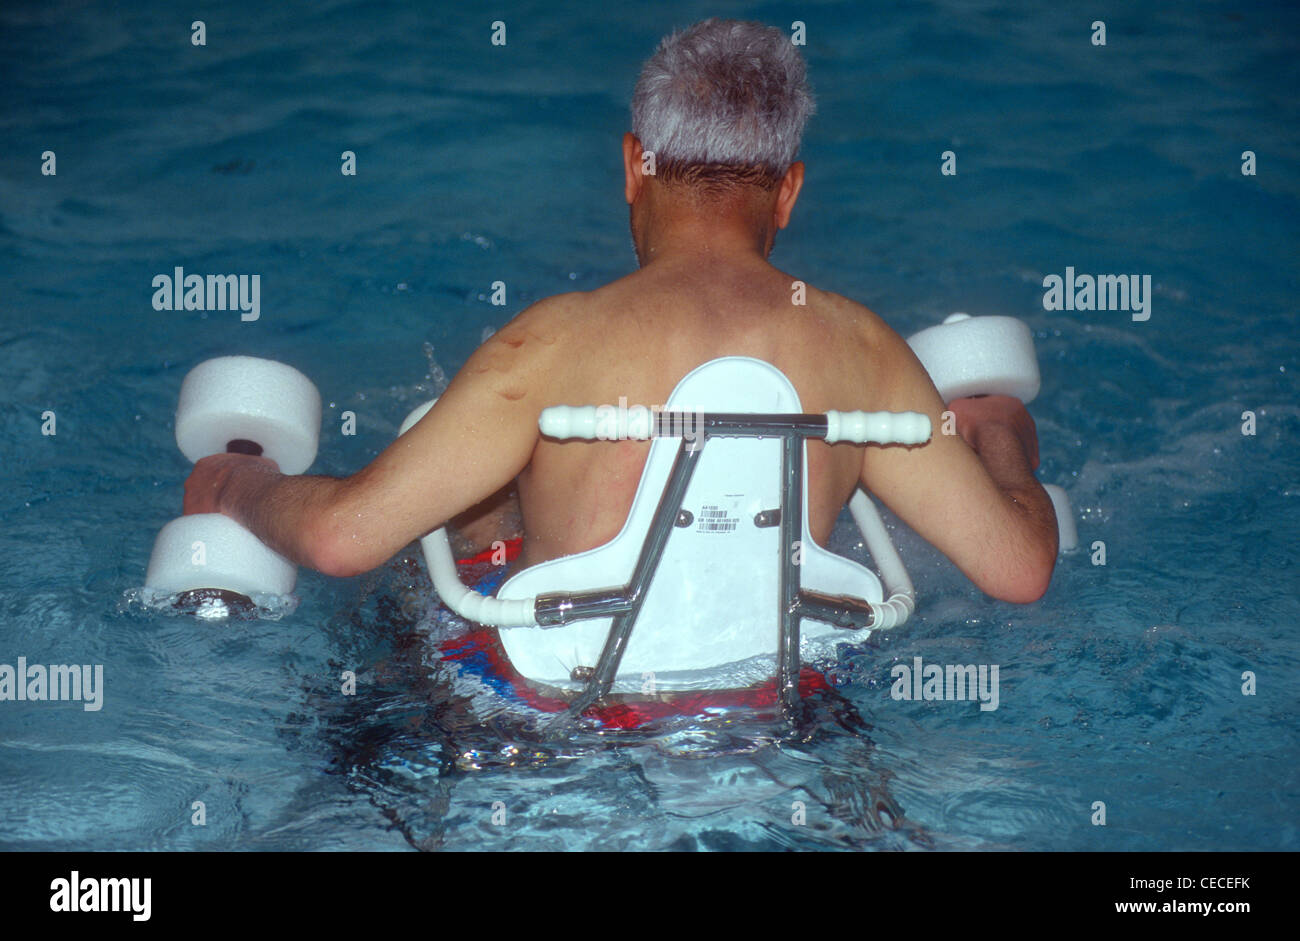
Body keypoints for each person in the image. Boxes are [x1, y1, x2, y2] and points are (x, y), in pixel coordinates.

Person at [184, 18, 1057, 612]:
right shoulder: (862, 349)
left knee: (430, 566)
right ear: (788, 191)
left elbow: (343, 539)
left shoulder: (551, 343)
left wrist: (235, 483)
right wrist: (997, 431)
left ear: (635, 165)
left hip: (549, 728)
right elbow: (1018, 568)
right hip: (780, 724)